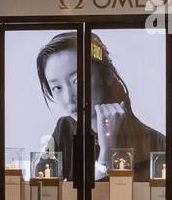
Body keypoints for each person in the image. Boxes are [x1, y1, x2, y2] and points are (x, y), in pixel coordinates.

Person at [37, 31, 165, 185]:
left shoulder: (155, 142)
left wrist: (110, 148)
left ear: (106, 75)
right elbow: (42, 191)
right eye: (57, 87)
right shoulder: (65, 128)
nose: (69, 97)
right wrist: (104, 157)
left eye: (77, 81)